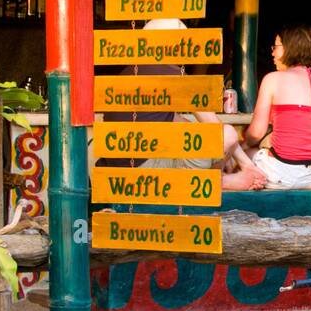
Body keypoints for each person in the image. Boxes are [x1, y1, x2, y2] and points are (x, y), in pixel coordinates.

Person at [96, 18, 265, 191]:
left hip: (117, 169)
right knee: (227, 133)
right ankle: (218, 183)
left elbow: (174, 121)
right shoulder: (171, 73)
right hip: (147, 170)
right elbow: (214, 127)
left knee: (190, 127)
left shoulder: (127, 73)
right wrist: (246, 164)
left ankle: (214, 180)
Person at [244, 25, 311, 189]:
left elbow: (256, 133)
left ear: (289, 48)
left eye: (276, 46)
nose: (272, 52)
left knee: (245, 152)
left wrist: (243, 143)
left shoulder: (272, 79)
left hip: (282, 174)